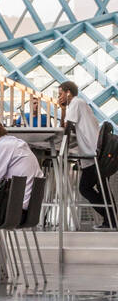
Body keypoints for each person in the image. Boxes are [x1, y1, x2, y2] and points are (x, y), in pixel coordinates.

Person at [58, 79, 108, 227]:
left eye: (60, 94)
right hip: (96, 153)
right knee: (101, 187)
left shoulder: (75, 103)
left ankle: (110, 217)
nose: (59, 97)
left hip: (93, 154)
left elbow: (66, 127)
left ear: (68, 93)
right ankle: (110, 219)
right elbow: (68, 125)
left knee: (85, 188)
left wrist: (63, 110)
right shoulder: (78, 104)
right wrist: (62, 109)